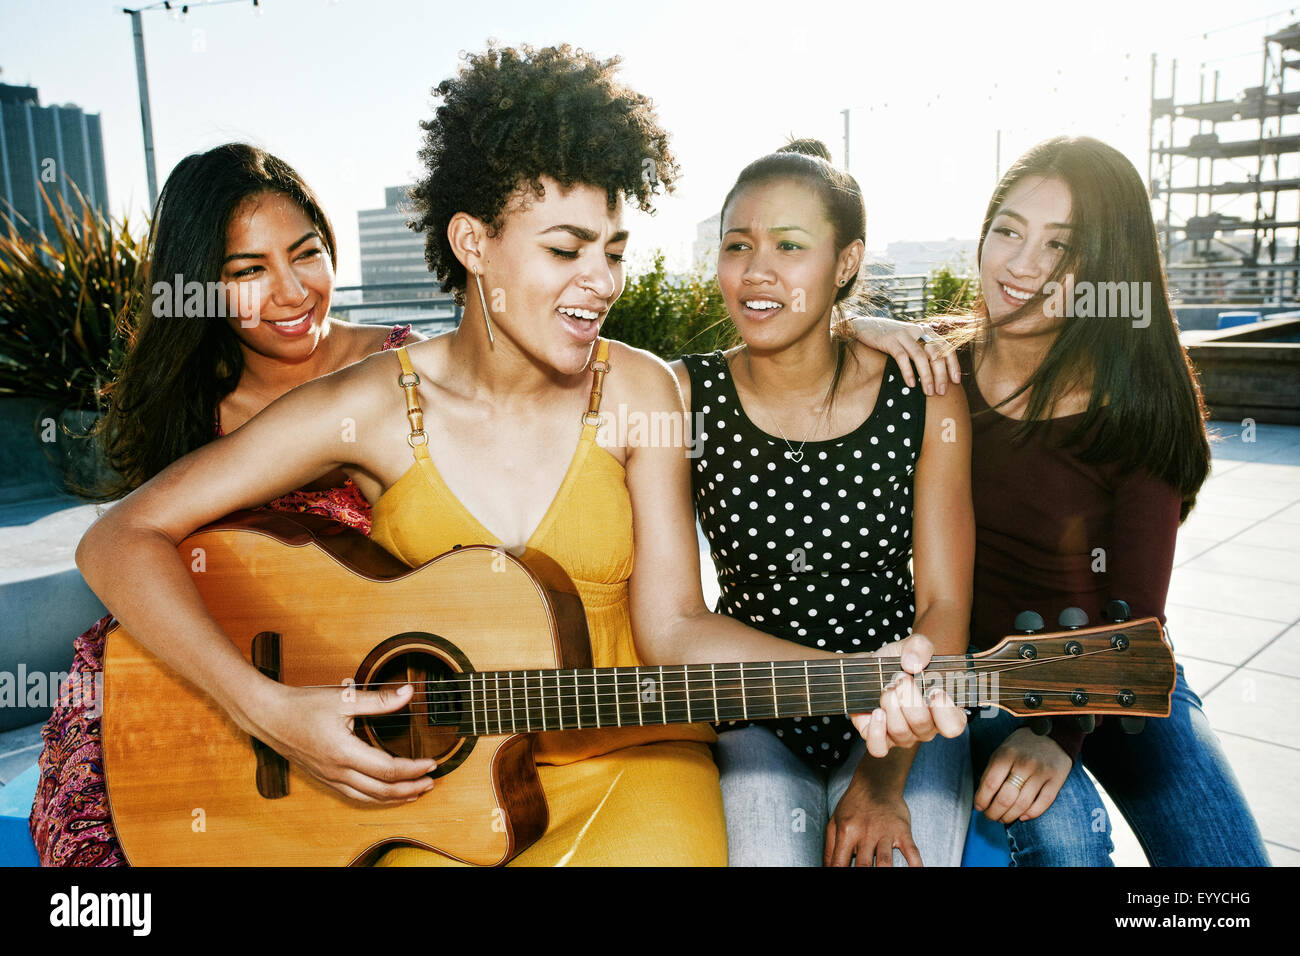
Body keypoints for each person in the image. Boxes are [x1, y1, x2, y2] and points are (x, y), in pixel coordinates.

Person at [71, 44, 961, 867]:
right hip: (430, 792)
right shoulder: (369, 406)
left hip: (635, 760)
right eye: (566, 249)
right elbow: (117, 539)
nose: (603, 281)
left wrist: (847, 680)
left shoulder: (642, 394)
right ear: (473, 244)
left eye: (614, 250)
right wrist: (267, 710)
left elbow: (675, 627)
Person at [844, 135, 1270, 866]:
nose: (1023, 266)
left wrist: (1059, 735)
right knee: (1066, 840)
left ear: (1107, 266)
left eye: (1061, 248)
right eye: (1009, 230)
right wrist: (856, 323)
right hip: (980, 668)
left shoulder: (1140, 403)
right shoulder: (934, 366)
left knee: (1226, 870)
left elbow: (1134, 615)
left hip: (1110, 663)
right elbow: (795, 341)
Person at [30, 142, 422, 866]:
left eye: (306, 254)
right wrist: (258, 705)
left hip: (345, 696)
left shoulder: (401, 374)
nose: (293, 292)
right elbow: (116, 545)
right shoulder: (189, 398)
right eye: (248, 271)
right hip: (161, 685)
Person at [672, 140, 974, 867]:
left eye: (789, 245)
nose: (755, 270)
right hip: (754, 714)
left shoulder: (924, 392)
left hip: (906, 703)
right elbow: (679, 622)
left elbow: (943, 604)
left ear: (845, 263)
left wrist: (885, 770)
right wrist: (844, 680)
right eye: (736, 244)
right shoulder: (683, 397)